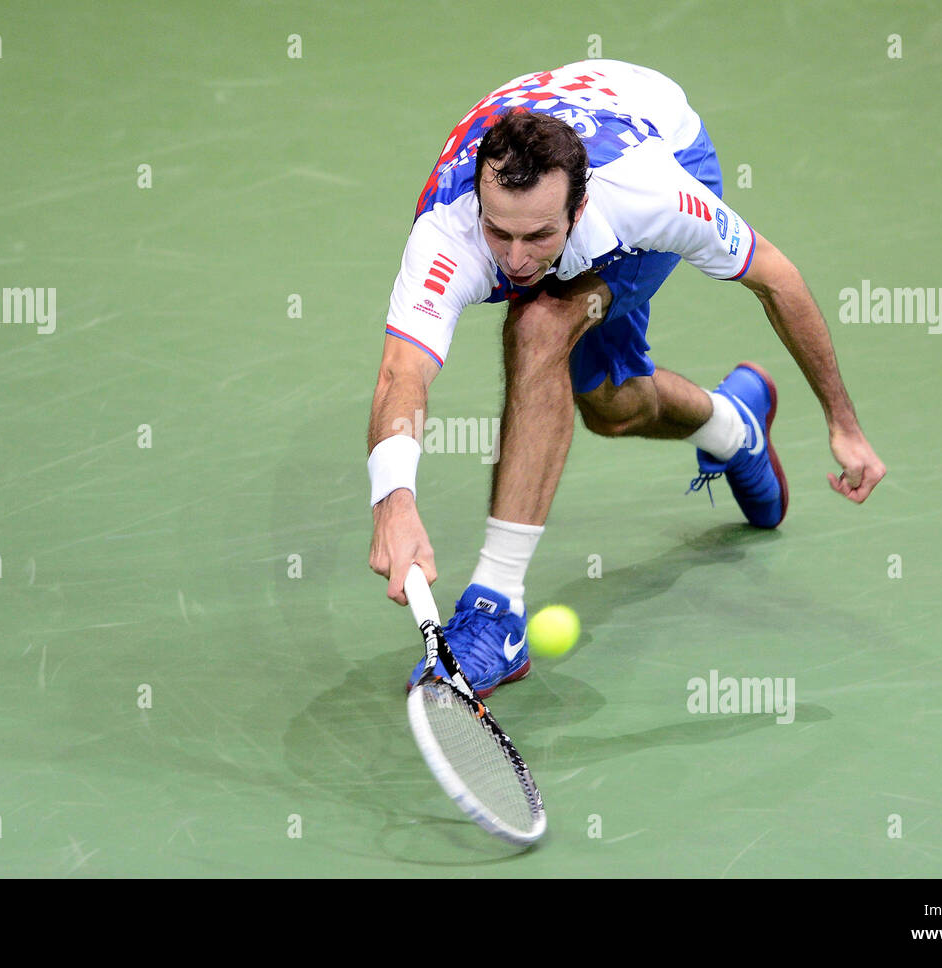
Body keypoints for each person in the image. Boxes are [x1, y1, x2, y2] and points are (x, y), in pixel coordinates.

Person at [366, 59, 885, 695]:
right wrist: (394, 498)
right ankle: (733, 429)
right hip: (585, 132)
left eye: (538, 237)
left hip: (660, 138)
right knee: (611, 406)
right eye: (498, 233)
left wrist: (844, 422)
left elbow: (776, 278)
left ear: (579, 209)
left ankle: (495, 612)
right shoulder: (448, 228)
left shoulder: (652, 196)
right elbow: (403, 372)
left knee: (539, 326)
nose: (516, 259)